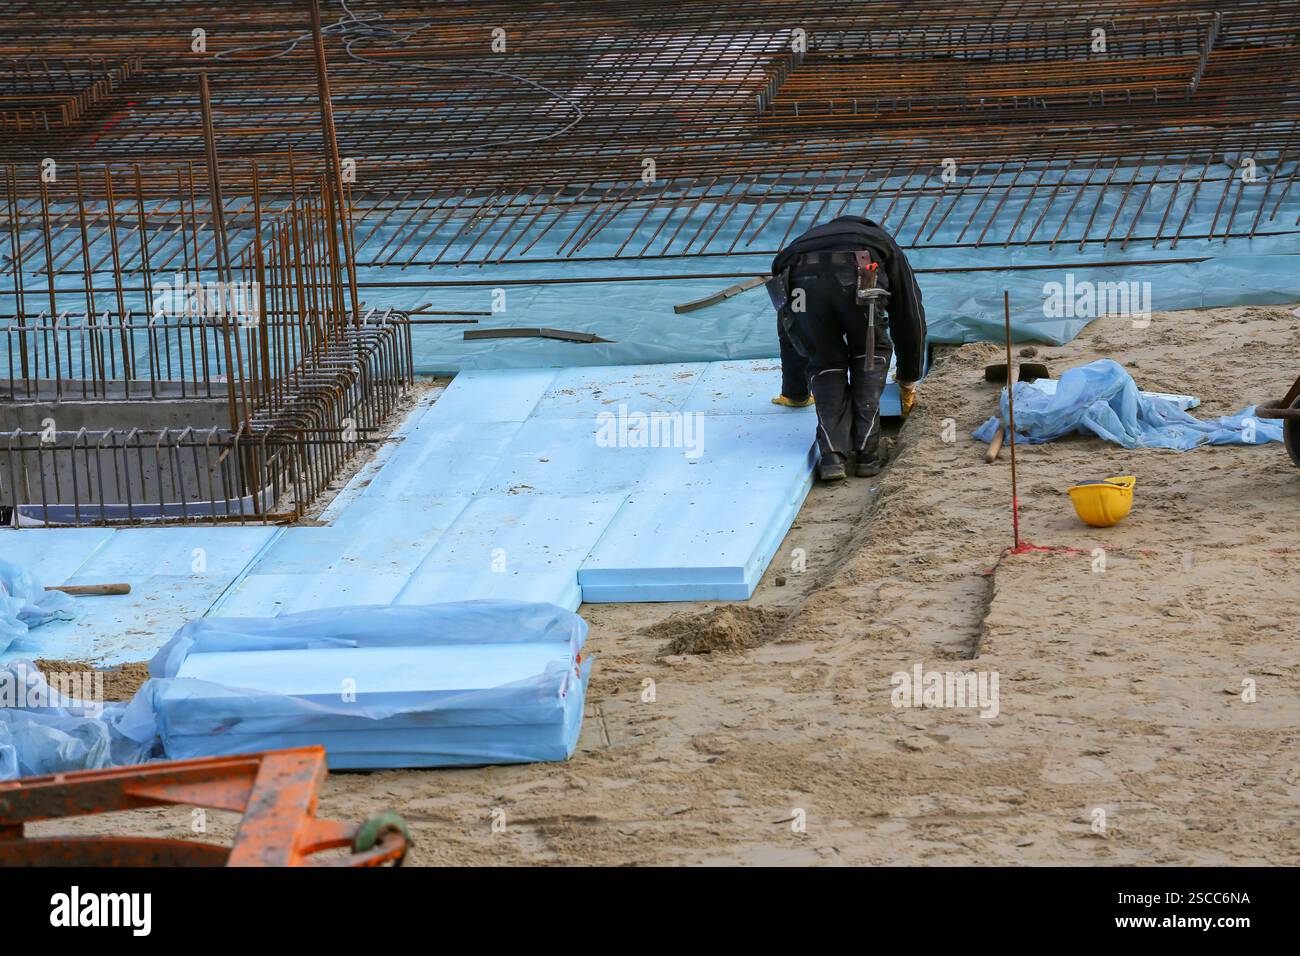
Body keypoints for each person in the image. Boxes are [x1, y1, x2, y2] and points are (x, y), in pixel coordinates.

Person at [767, 216, 926, 481]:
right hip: (861, 273)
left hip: (798, 277)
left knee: (823, 358)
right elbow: (909, 313)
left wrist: (794, 392)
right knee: (869, 352)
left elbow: (789, 328)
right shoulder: (882, 242)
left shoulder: (803, 243)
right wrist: (908, 377)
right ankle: (866, 455)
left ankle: (832, 458)